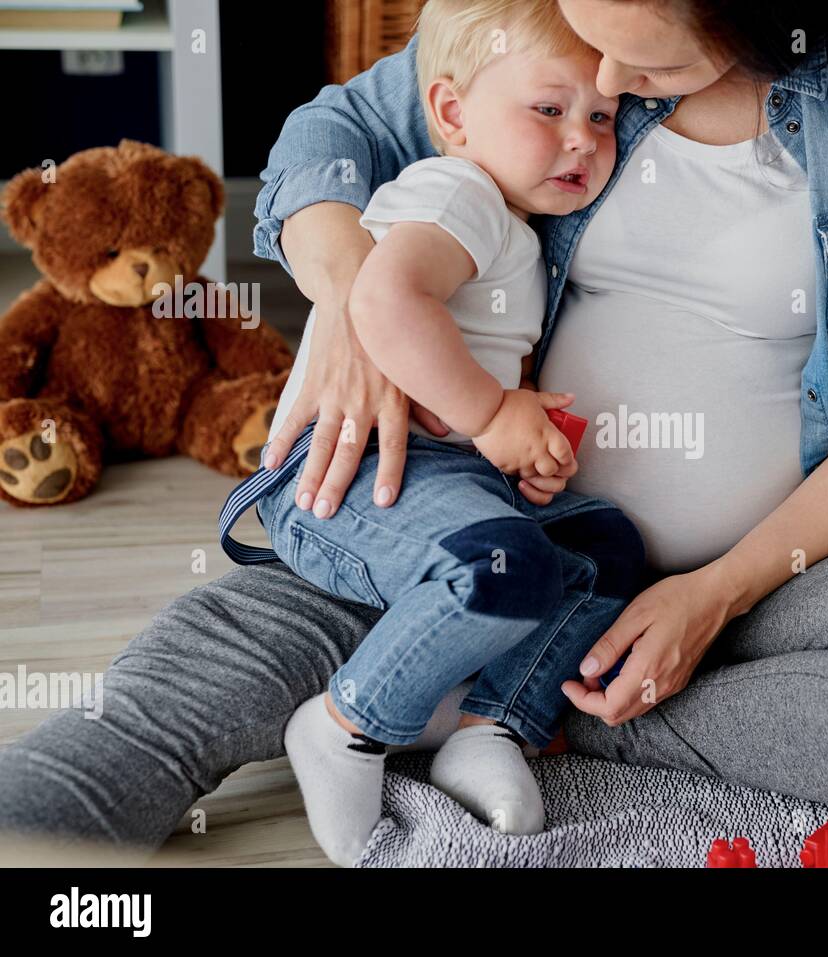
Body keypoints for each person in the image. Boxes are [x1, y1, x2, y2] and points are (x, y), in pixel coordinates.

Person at [0, 0, 828, 854]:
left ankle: (534, 697)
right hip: (456, 516)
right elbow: (331, 133)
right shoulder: (552, 24)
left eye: (645, 68)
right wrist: (354, 296)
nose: (605, 82)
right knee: (144, 728)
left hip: (770, 575)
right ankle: (493, 674)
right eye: (586, 51)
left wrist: (713, 593)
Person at [218, 0, 642, 863]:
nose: (582, 139)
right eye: (550, 109)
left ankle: (491, 725)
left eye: (602, 117)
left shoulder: (513, 225)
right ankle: (345, 725)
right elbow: (382, 300)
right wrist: (492, 415)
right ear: (451, 113)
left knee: (606, 548)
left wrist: (524, 438)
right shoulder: (457, 192)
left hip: (443, 476)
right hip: (350, 473)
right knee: (508, 566)